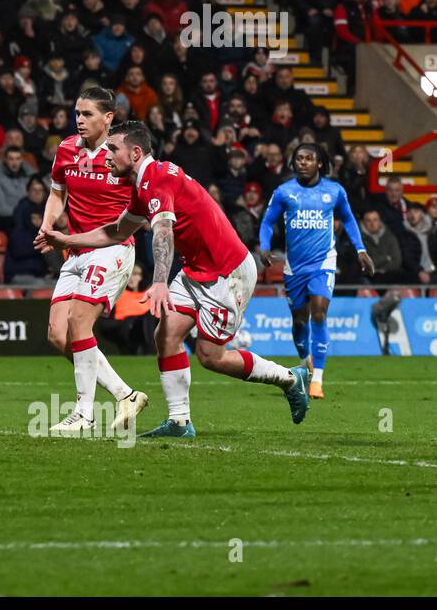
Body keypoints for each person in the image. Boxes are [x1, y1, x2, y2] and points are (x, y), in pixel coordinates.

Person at [38, 120, 310, 438]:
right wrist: (68, 241)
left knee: (212, 356)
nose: (106, 155)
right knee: (165, 335)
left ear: (136, 152)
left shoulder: (155, 180)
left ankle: (290, 379)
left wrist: (159, 281)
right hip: (196, 269)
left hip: (227, 272)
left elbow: (164, 231)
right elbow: (117, 231)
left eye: (113, 149)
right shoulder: (141, 187)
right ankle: (180, 422)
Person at [37, 87, 148, 434]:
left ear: (108, 118)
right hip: (75, 249)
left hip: (112, 248)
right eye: (77, 114)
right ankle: (125, 394)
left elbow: (145, 199)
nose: (79, 120)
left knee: (79, 322)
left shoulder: (122, 154)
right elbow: (58, 192)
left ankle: (84, 414)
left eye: (87, 114)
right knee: (58, 334)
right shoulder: (67, 149)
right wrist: (47, 223)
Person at [258, 143, 372, 400]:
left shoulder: (334, 191)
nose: (303, 162)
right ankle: (304, 362)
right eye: (299, 158)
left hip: (323, 263)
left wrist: (361, 250)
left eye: (309, 158)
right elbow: (267, 221)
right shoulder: (284, 192)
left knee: (318, 313)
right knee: (300, 320)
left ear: (320, 163)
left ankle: (317, 380)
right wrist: (264, 246)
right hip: (294, 267)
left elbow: (350, 219)